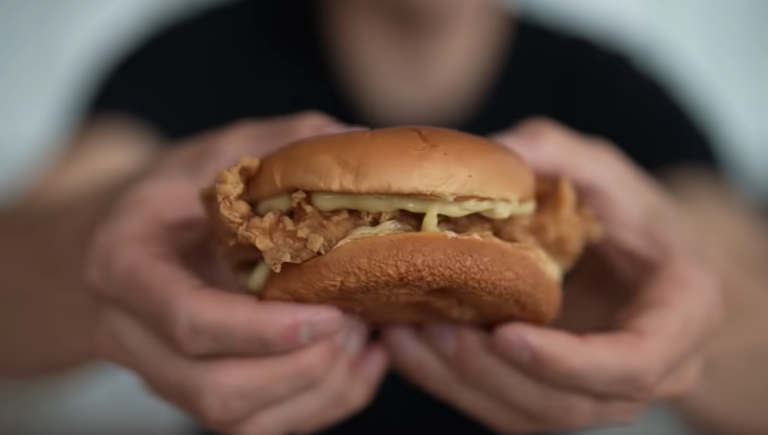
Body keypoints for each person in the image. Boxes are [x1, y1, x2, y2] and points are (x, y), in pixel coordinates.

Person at [2, 0, 768, 434]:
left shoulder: (614, 91)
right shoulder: (191, 57)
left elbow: (733, 265)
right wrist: (95, 244)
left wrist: (700, 313)